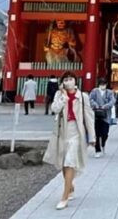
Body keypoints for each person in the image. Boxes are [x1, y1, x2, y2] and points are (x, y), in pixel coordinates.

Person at [43, 71, 96, 211]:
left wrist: (92, 137)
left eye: (70, 79)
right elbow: (54, 109)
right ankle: (70, 186)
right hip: (62, 132)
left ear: (75, 81)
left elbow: (89, 117)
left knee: (70, 162)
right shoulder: (59, 95)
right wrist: (63, 97)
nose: (68, 82)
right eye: (65, 79)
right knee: (63, 163)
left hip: (76, 132)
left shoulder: (83, 97)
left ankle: (64, 197)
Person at [89, 77, 115, 158]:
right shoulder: (94, 91)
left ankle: (103, 143)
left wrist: (105, 106)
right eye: (101, 84)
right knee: (96, 133)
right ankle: (97, 150)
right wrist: (96, 105)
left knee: (105, 133)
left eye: (104, 84)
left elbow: (112, 101)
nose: (102, 86)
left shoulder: (109, 92)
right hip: (96, 114)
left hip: (106, 115)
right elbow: (90, 99)